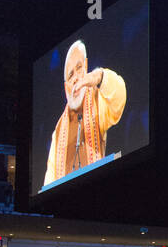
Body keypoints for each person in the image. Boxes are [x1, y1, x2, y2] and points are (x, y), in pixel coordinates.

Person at [43, 40, 126, 187]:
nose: (75, 78)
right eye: (70, 75)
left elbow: (119, 97)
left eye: (79, 68)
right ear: (65, 86)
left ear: (86, 66)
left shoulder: (97, 98)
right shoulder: (58, 129)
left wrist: (98, 76)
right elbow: (50, 179)